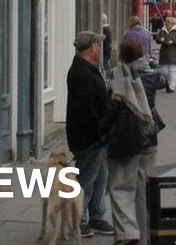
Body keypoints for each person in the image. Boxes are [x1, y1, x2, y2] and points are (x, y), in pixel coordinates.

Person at [103, 40, 167, 245]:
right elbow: (164, 81)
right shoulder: (151, 74)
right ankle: (145, 235)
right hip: (149, 137)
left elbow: (111, 110)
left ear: (122, 56)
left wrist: (102, 131)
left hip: (127, 139)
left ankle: (127, 234)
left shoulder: (119, 77)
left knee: (121, 187)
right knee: (143, 190)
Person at [66, 31, 115, 238]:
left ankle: (96, 215)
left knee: (100, 177)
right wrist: (99, 130)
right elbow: (85, 109)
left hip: (98, 137)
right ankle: (80, 220)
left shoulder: (87, 69)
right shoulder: (81, 73)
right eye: (97, 44)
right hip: (89, 137)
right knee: (86, 178)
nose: (99, 47)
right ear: (91, 48)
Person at [155, 17, 176, 92]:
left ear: (172, 23)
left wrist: (173, 42)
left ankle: (172, 87)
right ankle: (168, 82)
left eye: (168, 22)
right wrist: (160, 39)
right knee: (164, 71)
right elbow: (157, 39)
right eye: (166, 21)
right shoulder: (163, 30)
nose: (167, 23)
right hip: (164, 52)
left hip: (174, 52)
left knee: (172, 70)